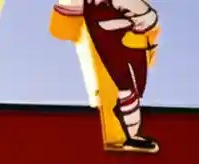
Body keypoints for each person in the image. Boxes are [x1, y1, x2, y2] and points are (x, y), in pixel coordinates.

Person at [51, 0, 161, 152]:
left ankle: (128, 132)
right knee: (126, 87)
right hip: (110, 41)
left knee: (134, 86)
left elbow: (148, 18)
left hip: (130, 40)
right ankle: (129, 133)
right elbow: (61, 26)